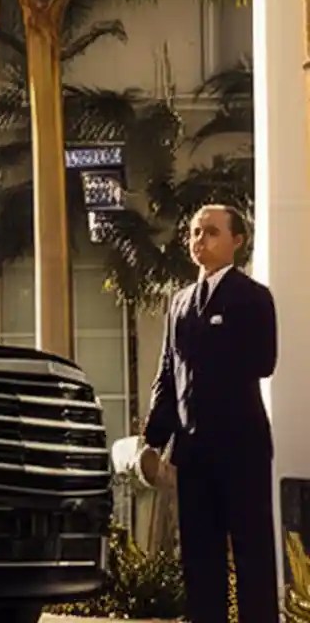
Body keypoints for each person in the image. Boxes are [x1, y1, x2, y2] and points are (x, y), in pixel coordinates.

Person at [142, 204, 279, 623]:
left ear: (237, 241)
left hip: (242, 447)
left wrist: (213, 340)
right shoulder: (180, 303)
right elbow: (168, 372)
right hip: (193, 452)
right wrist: (153, 438)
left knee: (252, 553)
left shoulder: (253, 297)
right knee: (200, 559)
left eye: (211, 232)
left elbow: (263, 361)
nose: (199, 240)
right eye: (195, 232)